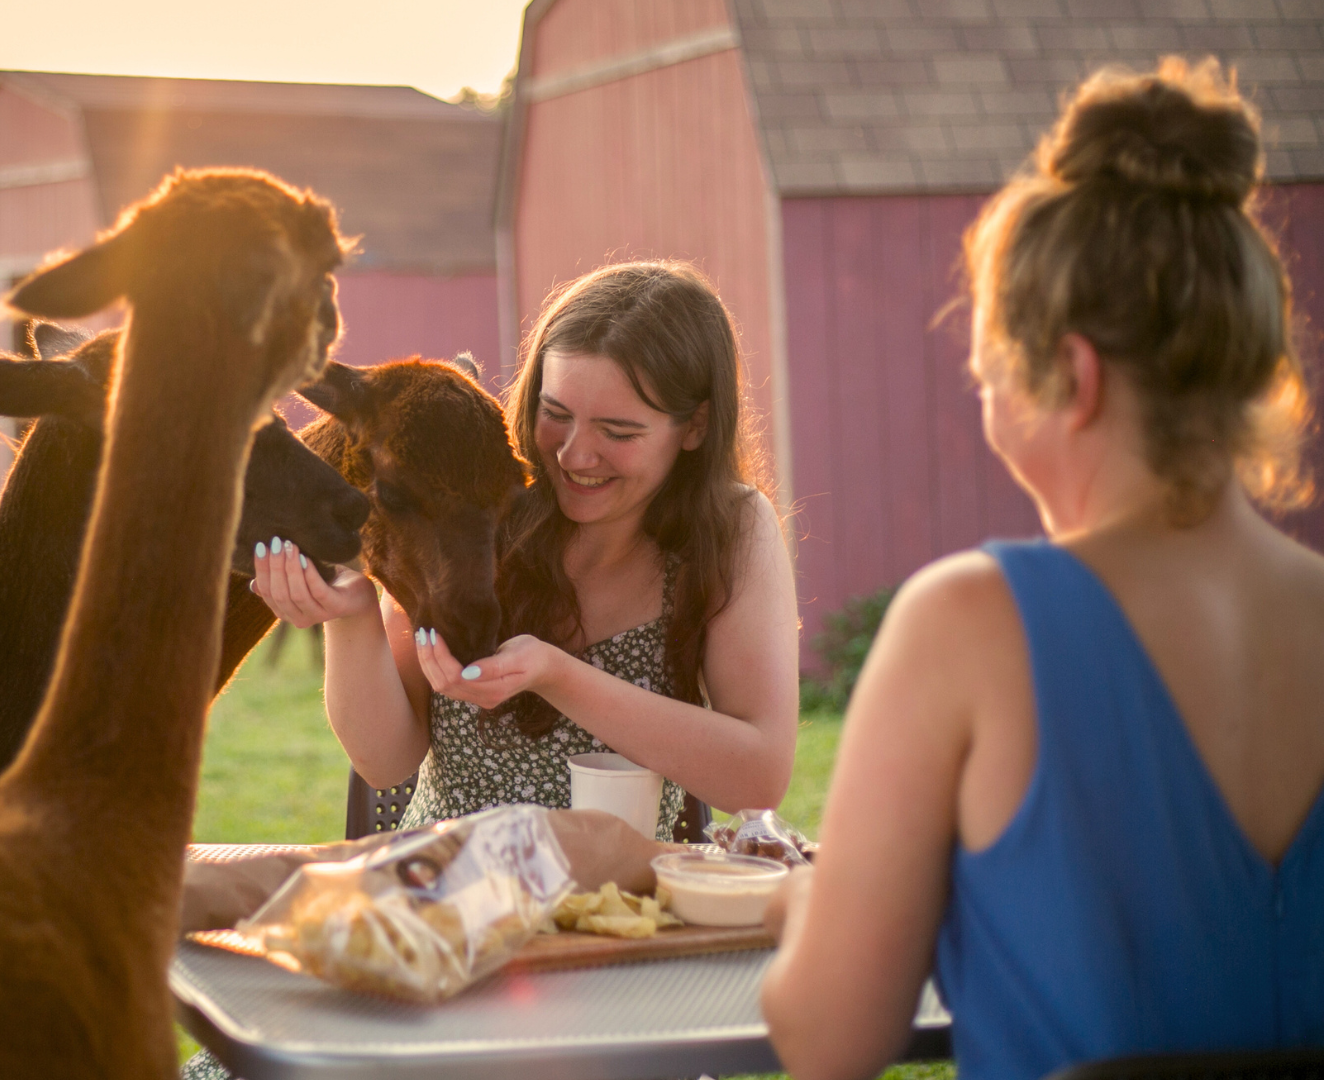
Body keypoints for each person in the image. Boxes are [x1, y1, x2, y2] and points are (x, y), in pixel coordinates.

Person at [760, 58, 1324, 1080]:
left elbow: (830, 1042)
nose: (984, 406)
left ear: (1073, 376)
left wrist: (804, 905)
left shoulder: (969, 626)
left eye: (987, 377)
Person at [253, 260, 800, 836]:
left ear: (695, 427)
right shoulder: (475, 484)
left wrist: (556, 675)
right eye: (555, 414)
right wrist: (352, 618)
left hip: (625, 891)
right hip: (441, 881)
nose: (573, 455)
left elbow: (757, 778)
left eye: (617, 432)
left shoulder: (731, 530)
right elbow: (386, 763)